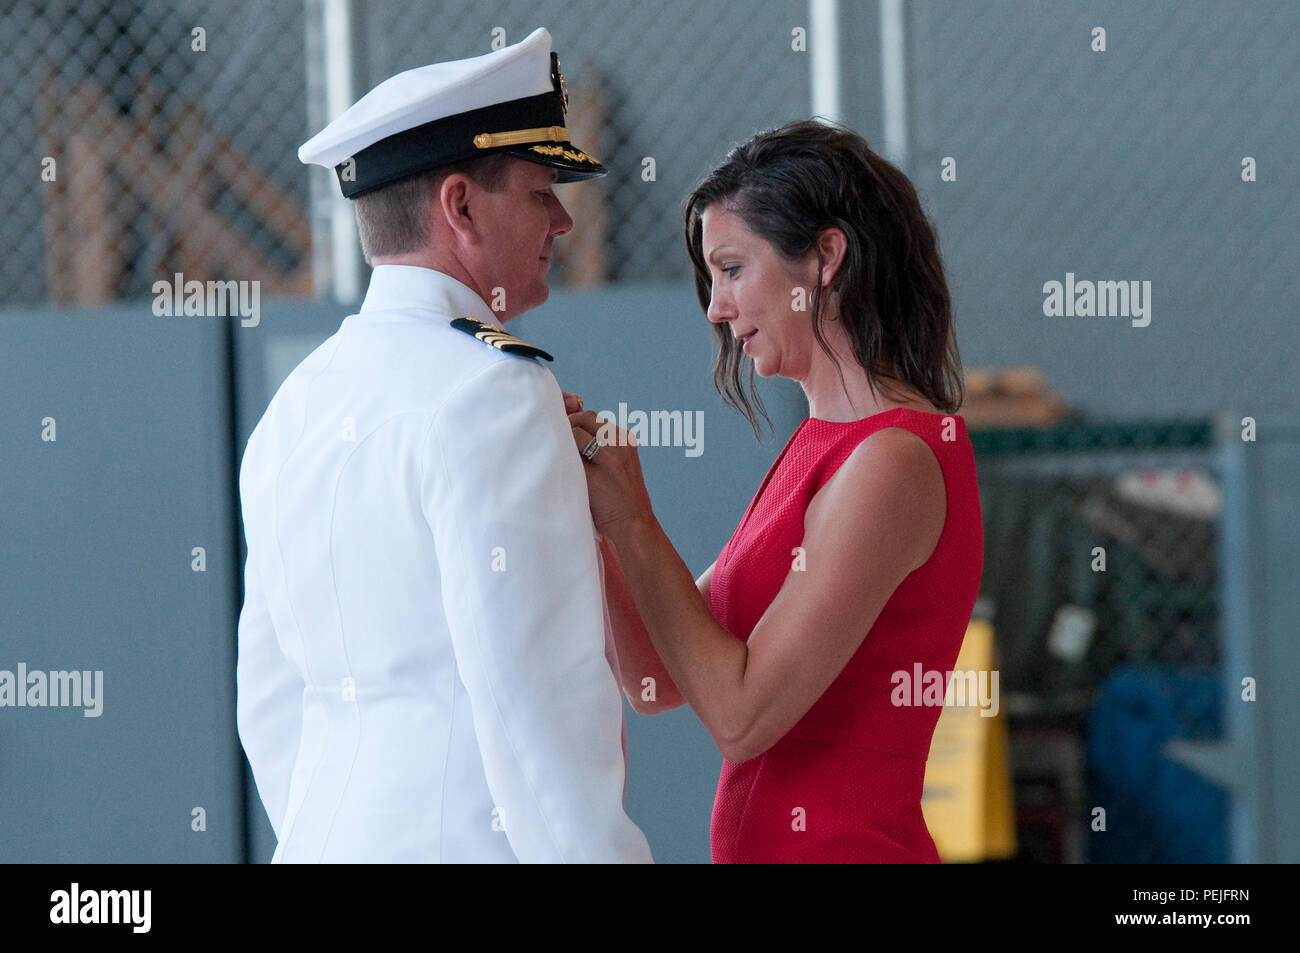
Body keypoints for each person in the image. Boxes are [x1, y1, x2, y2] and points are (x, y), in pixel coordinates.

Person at [236, 28, 652, 863]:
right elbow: (536, 701)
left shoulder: (297, 403)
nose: (564, 222)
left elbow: (271, 699)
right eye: (541, 192)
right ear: (460, 205)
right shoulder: (494, 390)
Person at [567, 119, 983, 863]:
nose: (716, 308)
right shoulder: (821, 446)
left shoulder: (894, 460)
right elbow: (658, 680)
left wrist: (635, 521)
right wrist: (597, 517)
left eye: (732, 269)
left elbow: (740, 715)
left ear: (825, 257)